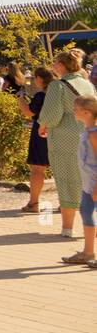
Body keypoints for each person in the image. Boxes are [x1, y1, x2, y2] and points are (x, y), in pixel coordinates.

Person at [38, 49, 97, 239]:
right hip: (87, 133)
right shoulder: (87, 84)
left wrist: (43, 125)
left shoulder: (58, 86)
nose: (53, 66)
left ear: (63, 65)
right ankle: (91, 228)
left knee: (67, 180)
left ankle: (67, 228)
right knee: (88, 179)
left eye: (55, 63)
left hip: (64, 137)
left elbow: (52, 115)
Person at [60, 96, 97, 266]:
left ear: (86, 112)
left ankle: (89, 252)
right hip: (88, 182)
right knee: (86, 212)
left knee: (88, 212)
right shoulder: (87, 130)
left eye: (75, 108)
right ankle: (88, 252)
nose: (73, 111)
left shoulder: (94, 133)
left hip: (94, 183)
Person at [20, 66, 54, 213]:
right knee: (61, 169)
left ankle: (34, 203)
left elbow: (28, 112)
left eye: (35, 77)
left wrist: (20, 99)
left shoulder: (41, 95)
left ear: (40, 79)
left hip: (41, 132)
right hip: (58, 131)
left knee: (38, 168)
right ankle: (66, 203)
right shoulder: (56, 94)